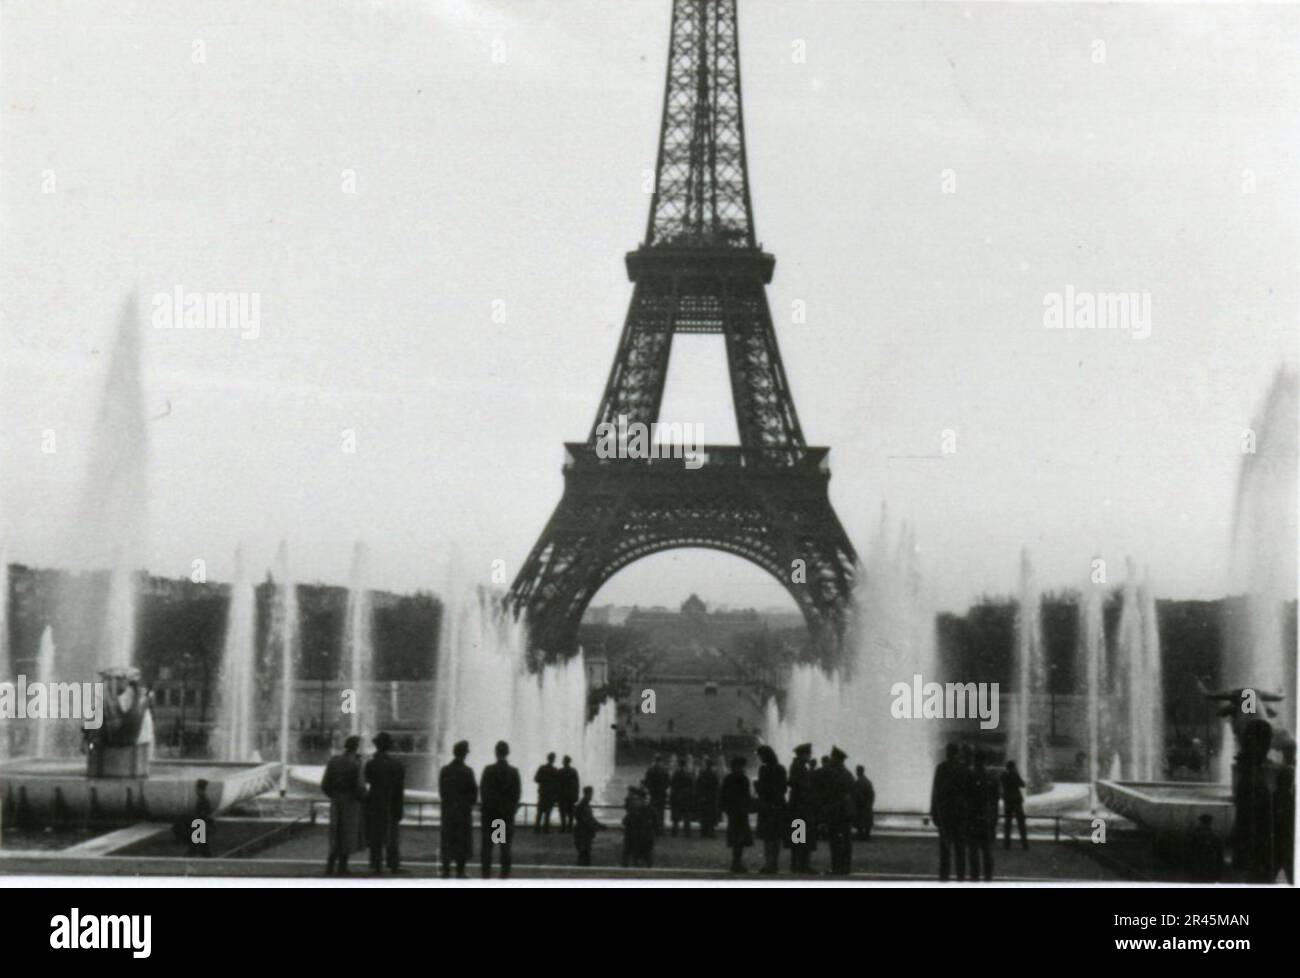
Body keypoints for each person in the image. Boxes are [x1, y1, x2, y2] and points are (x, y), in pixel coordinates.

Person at [321, 735, 365, 875]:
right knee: (348, 833)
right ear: (356, 747)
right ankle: (342, 866)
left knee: (336, 832)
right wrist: (362, 799)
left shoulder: (333, 761)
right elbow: (360, 786)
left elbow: (325, 784)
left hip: (336, 798)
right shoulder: (356, 763)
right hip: (351, 801)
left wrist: (333, 795)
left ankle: (330, 865)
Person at [481, 739, 523, 879]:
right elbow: (517, 794)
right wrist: (511, 810)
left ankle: (486, 876)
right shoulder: (513, 772)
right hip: (505, 816)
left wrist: (488, 808)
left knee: (487, 847)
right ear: (508, 753)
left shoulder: (488, 770)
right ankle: (504, 876)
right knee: (504, 847)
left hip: (490, 815)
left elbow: (483, 792)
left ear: (495, 753)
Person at [365, 731, 406, 874]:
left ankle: (376, 864)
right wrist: (400, 807)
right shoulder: (397, 765)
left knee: (376, 834)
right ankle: (393, 863)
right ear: (389, 746)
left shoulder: (370, 764)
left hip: (375, 802)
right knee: (392, 835)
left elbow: (367, 781)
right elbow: (400, 788)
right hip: (392, 801)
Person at [930, 743, 971, 881]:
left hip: (945, 814)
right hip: (960, 815)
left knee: (945, 851)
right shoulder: (963, 768)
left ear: (947, 753)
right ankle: (960, 879)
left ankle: (944, 879)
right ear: (957, 753)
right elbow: (968, 793)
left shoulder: (941, 768)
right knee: (960, 851)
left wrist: (934, 811)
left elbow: (935, 792)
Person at [438, 739, 477, 878]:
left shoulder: (445, 770)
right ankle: (460, 871)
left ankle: (446, 869)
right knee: (462, 841)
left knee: (448, 839)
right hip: (463, 813)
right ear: (465, 754)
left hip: (448, 811)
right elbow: (473, 794)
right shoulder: (468, 772)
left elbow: (442, 792)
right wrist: (466, 804)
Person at [822, 747, 856, 875]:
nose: (830, 760)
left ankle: (837, 867)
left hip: (839, 812)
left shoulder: (838, 774)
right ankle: (843, 867)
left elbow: (833, 794)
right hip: (844, 812)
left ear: (837, 759)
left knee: (836, 841)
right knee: (844, 841)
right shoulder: (846, 773)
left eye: (832, 757)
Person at [754, 745, 788, 874]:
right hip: (778, 805)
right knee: (776, 837)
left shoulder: (763, 769)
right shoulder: (781, 768)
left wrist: (758, 787)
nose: (760, 758)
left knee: (768, 837)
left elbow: (762, 789)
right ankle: (774, 863)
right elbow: (784, 789)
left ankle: (769, 864)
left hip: (767, 806)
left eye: (760, 755)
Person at [967, 751, 999, 882]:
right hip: (987, 818)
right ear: (985, 761)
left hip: (973, 819)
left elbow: (965, 798)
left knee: (973, 851)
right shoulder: (991, 777)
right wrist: (995, 818)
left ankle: (974, 879)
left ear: (975, 761)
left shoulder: (969, 777)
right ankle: (988, 878)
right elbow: (995, 800)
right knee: (987, 851)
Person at [720, 755, 755, 873]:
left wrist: (726, 809)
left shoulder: (728, 778)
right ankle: (737, 863)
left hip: (733, 812)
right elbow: (746, 797)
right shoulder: (743, 779)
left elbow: (723, 796)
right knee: (740, 839)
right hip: (741, 812)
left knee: (735, 838)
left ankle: (736, 862)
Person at [787, 744, 817, 873]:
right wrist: (811, 770)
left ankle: (797, 864)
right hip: (800, 808)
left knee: (799, 837)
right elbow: (805, 785)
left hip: (798, 807)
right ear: (802, 755)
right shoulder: (799, 768)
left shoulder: (798, 766)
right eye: (808, 754)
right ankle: (801, 865)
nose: (809, 756)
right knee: (801, 837)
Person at [621, 786, 656, 868]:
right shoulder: (651, 810)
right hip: (645, 837)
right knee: (645, 857)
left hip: (638, 837)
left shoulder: (636, 810)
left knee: (636, 856)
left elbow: (626, 821)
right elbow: (656, 824)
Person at [1187, 814, 1225, 883]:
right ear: (1210, 823)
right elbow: (1219, 854)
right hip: (1208, 865)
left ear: (1201, 823)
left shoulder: (1195, 834)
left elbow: (1190, 850)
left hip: (1198, 864)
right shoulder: (1214, 836)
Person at [1001, 759, 1028, 850]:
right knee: (1021, 823)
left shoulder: (1004, 776)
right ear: (1013, 767)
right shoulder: (1015, 775)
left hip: (1007, 801)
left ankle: (1006, 844)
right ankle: (1024, 844)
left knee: (1007, 823)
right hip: (1016, 801)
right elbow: (1023, 785)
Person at [574, 785, 603, 866]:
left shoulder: (582, 805)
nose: (591, 797)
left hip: (583, 833)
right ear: (588, 794)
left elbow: (589, 819)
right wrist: (596, 826)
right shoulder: (584, 806)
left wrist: (599, 825)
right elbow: (587, 820)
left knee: (584, 853)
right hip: (583, 834)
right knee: (584, 853)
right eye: (591, 794)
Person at [669, 756, 696, 837]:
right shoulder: (688, 774)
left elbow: (673, 786)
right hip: (686, 798)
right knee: (686, 817)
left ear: (679, 765)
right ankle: (687, 832)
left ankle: (675, 832)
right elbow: (692, 787)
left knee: (676, 818)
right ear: (685, 765)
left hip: (677, 797)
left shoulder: (676, 774)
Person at [644, 755, 670, 835]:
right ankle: (661, 828)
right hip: (661, 793)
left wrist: (650, 789)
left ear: (654, 760)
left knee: (653, 811)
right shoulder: (665, 770)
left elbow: (647, 782)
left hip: (653, 793)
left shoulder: (650, 770)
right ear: (661, 761)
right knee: (661, 811)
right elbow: (668, 782)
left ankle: (654, 828)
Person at [695, 756, 721, 838]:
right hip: (712, 798)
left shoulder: (702, 774)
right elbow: (717, 786)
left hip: (704, 797)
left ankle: (703, 832)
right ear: (712, 765)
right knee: (711, 815)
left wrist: (700, 796)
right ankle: (711, 832)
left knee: (704, 815)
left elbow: (698, 785)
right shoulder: (714, 774)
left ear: (706, 765)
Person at [533, 752, 558, 833]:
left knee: (539, 811)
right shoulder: (555, 771)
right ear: (553, 760)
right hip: (550, 794)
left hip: (542, 793)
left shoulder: (542, 768)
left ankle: (537, 828)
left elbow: (536, 779)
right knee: (548, 812)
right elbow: (557, 784)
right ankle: (545, 829)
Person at [189, 779, 213, 858]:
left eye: (197, 788)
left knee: (199, 845)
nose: (195, 790)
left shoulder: (203, 800)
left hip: (200, 824)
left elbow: (204, 813)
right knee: (201, 845)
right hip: (200, 823)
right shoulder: (203, 799)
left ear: (200, 789)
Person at [557, 755, 580, 832]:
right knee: (570, 812)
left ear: (564, 762)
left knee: (562, 812)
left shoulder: (560, 771)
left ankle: (563, 827)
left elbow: (557, 784)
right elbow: (577, 784)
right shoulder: (573, 771)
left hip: (562, 795)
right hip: (571, 795)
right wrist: (576, 794)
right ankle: (569, 827)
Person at [853, 765, 875, 841]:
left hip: (860, 805)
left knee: (860, 821)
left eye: (857, 771)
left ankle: (861, 835)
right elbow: (872, 794)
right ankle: (866, 835)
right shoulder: (868, 782)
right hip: (867, 804)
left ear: (858, 772)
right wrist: (870, 803)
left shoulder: (858, 782)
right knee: (867, 821)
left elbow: (855, 795)